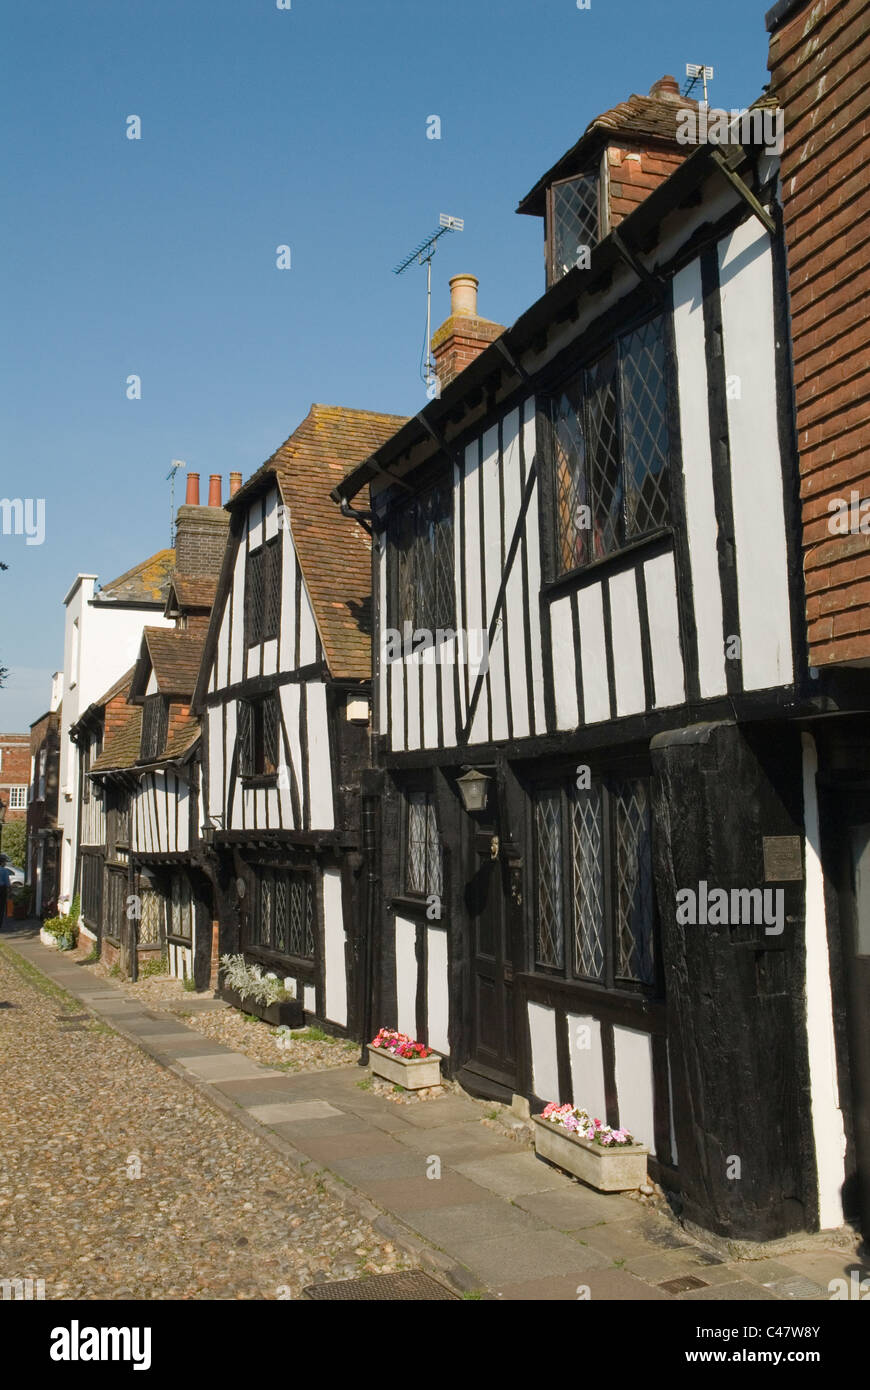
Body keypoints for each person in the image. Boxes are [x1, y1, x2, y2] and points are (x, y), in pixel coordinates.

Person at [0, 854, 11, 931]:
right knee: (1, 907)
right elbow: (7, 883)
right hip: (1, 889)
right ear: (2, 862)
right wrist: (10, 890)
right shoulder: (4, 870)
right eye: (4, 862)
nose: (5, 863)